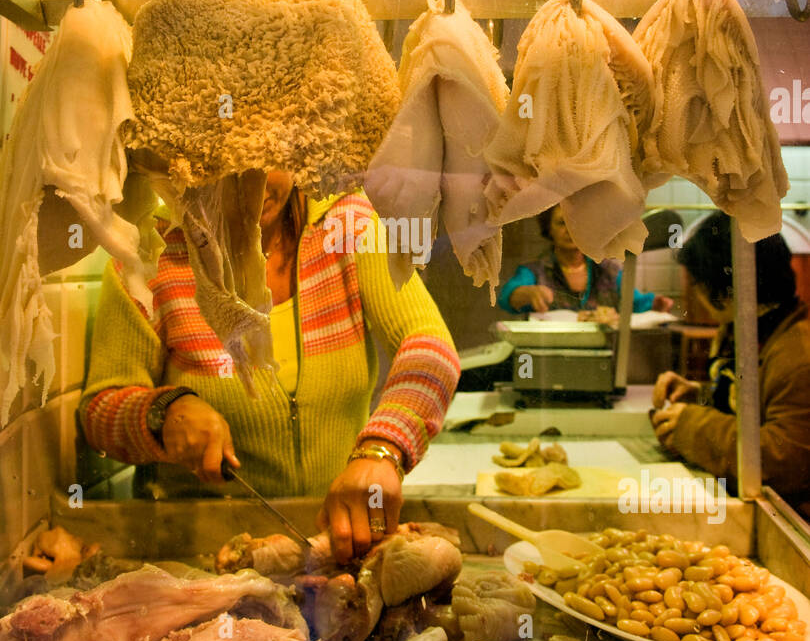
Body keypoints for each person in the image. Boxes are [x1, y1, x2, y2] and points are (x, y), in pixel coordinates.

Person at [80, 173, 461, 562]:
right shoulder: (147, 255)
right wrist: (164, 412)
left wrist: (383, 450)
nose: (254, 185)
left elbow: (429, 347)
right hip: (202, 559)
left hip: (335, 547)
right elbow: (100, 412)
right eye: (229, 166)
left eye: (271, 158)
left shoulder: (347, 224)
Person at [650, 211, 810, 519]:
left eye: (697, 283)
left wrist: (692, 426)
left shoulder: (798, 353)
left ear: (725, 288)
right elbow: (751, 404)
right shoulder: (748, 330)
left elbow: (784, 461)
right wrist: (699, 397)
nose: (695, 293)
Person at [497, 205, 673, 316]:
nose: (570, 230)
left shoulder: (609, 269)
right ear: (548, 229)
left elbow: (633, 302)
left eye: (576, 223)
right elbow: (506, 298)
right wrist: (528, 293)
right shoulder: (534, 271)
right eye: (561, 223)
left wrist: (654, 303)